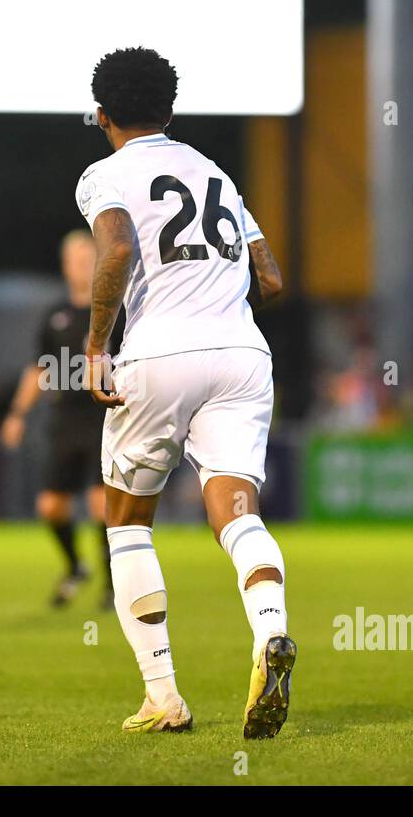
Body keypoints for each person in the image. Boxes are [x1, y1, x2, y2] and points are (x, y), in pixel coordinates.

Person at [76, 47, 294, 738]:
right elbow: (273, 275)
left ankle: (163, 696)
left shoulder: (104, 174)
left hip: (159, 353)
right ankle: (271, 633)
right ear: (171, 111)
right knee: (237, 511)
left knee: (128, 522)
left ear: (102, 115)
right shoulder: (216, 173)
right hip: (240, 353)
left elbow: (114, 251)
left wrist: (94, 345)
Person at [1, 230, 123, 609]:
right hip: (64, 420)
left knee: (100, 504)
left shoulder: (114, 309)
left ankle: (111, 585)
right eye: (73, 259)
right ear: (65, 265)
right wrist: (18, 414)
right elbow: (39, 369)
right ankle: (75, 567)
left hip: (105, 419)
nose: (80, 266)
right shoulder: (54, 315)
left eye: (88, 259)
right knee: (51, 507)